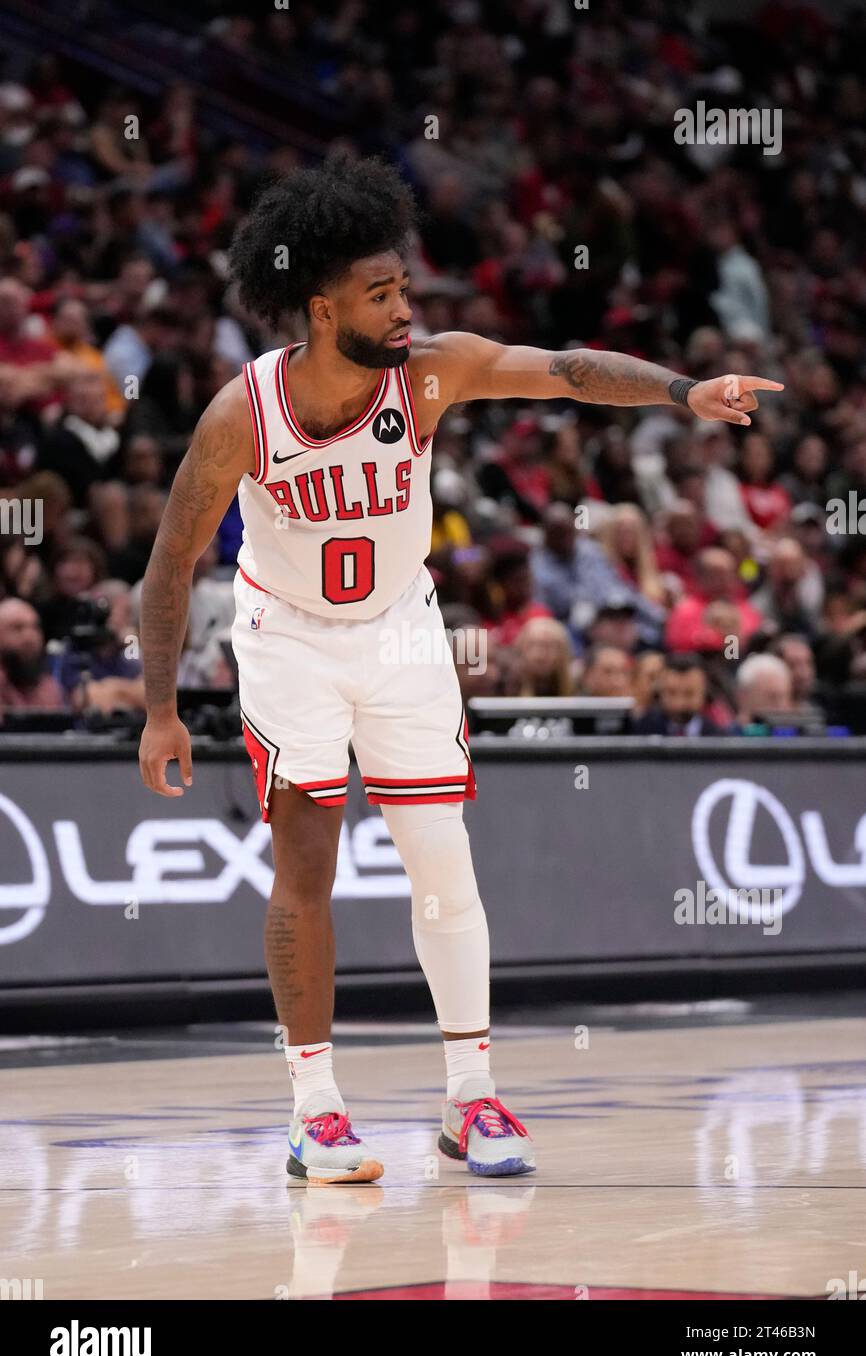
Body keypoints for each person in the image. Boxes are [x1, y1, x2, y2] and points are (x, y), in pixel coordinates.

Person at [136, 153, 782, 1185]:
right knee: (306, 867)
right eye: (380, 292)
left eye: (405, 287)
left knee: (443, 861)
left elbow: (563, 367)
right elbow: (168, 565)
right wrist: (160, 707)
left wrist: (681, 391)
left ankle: (469, 1098)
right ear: (317, 305)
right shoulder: (239, 417)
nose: (405, 308)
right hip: (288, 637)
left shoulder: (429, 371)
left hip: (400, 630)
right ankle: (315, 1112)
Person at [631, 653, 725, 736]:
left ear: (705, 693)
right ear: (659, 691)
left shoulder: (719, 737)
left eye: (689, 694)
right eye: (671, 693)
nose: (679, 703)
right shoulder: (639, 731)